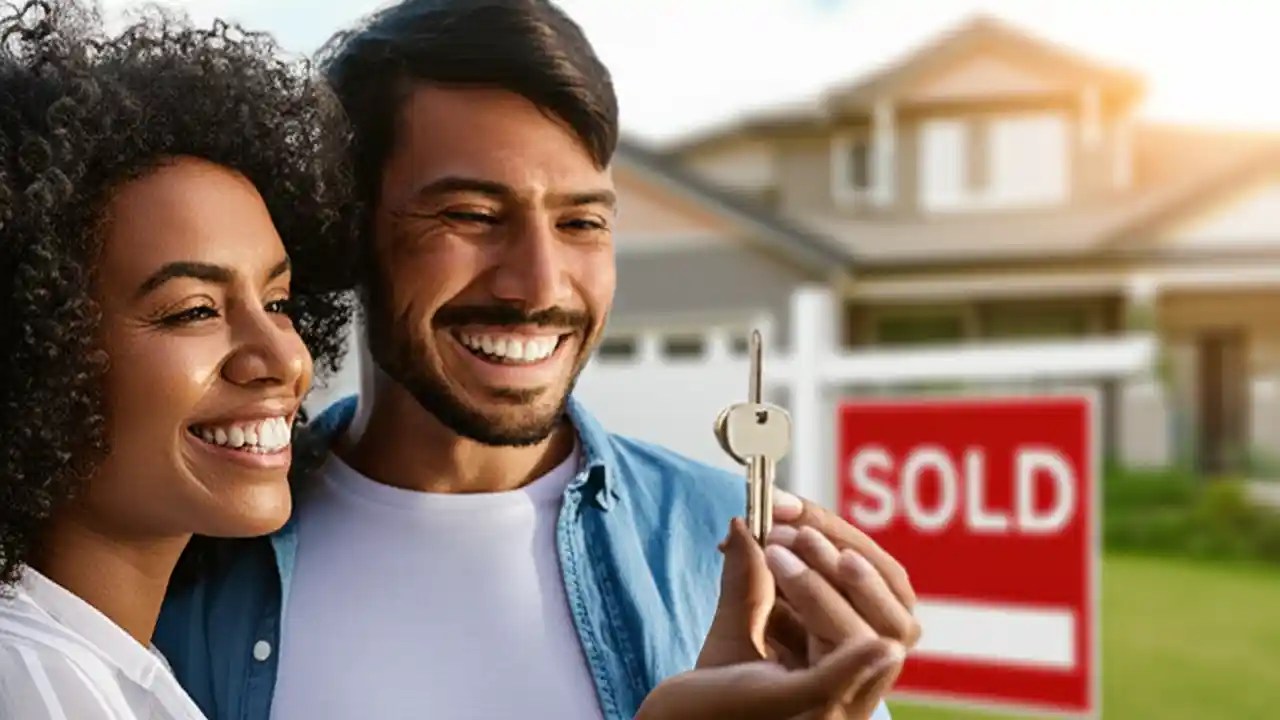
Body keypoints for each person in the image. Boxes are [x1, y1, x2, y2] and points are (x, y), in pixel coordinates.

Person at [155, 1, 921, 719]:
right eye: (472, 216)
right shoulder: (184, 553)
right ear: (345, 232)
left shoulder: (727, 558)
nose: (539, 285)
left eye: (582, 222)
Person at [0, 0, 356, 716]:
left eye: (279, 303)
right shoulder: (33, 677)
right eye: (195, 310)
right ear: (35, 351)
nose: (280, 358)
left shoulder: (101, 666)